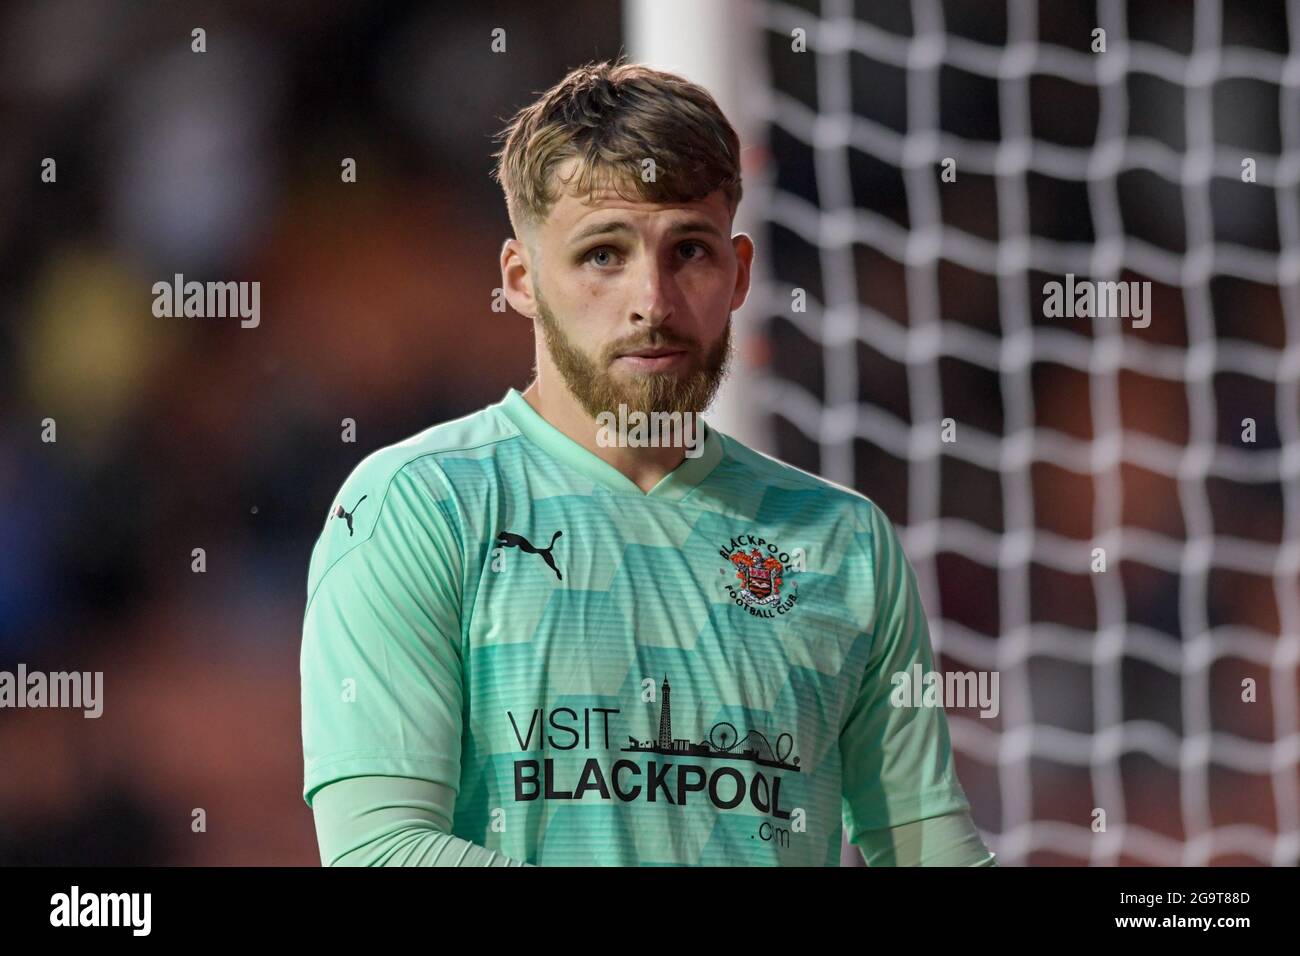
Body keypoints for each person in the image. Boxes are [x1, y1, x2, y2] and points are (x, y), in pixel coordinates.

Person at [301, 57, 995, 867]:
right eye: (603, 254)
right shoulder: (423, 506)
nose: (653, 303)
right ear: (522, 280)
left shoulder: (842, 541)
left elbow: (930, 854)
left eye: (689, 252)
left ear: (738, 273)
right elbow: (379, 851)